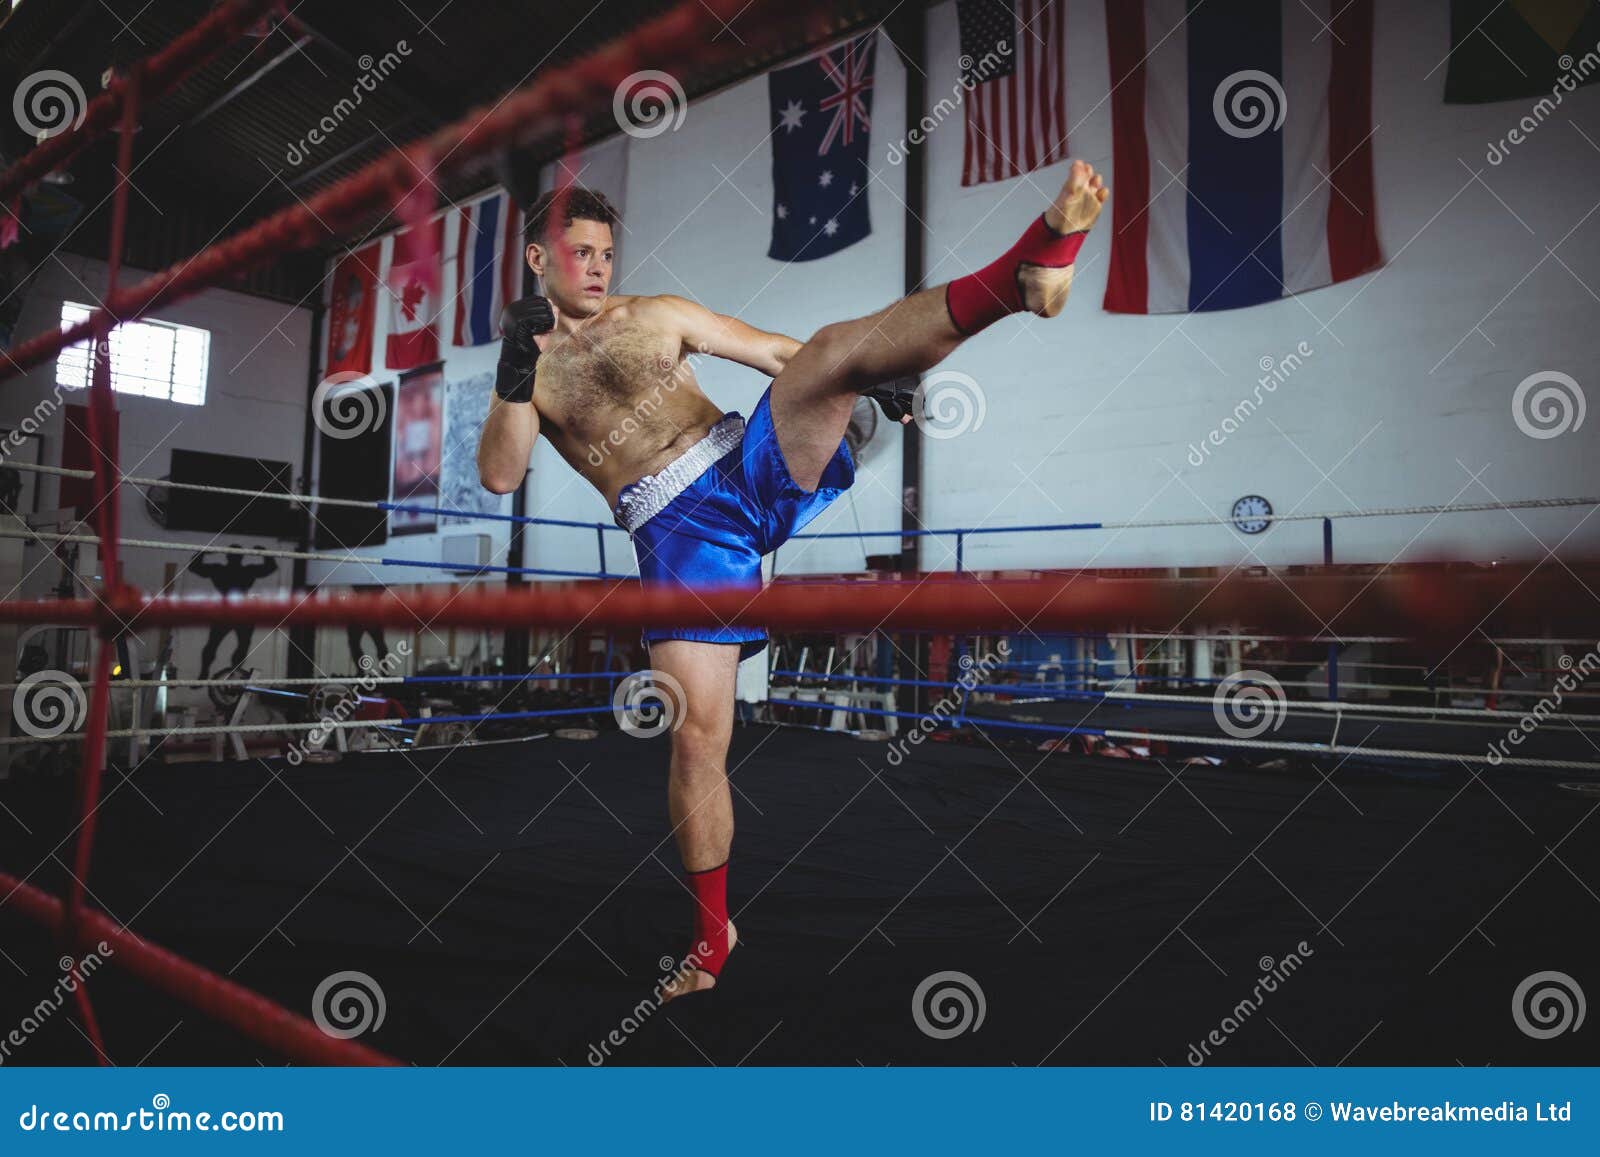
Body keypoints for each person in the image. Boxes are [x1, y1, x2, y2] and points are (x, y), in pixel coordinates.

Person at [476, 163, 1108, 999]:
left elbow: (777, 351)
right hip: (677, 535)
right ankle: (712, 943)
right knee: (698, 740)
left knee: (824, 354)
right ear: (535, 260)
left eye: (605, 252)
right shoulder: (533, 366)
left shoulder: (656, 314)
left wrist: (863, 372)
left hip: (746, 461)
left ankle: (1021, 278)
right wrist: (516, 366)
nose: (596, 266)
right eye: (579, 252)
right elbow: (499, 473)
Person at [189, 547, 277, 681]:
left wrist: (265, 553)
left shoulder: (240, 570)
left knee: (238, 644)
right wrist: (264, 553)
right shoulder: (227, 570)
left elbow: (271, 568)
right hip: (229, 611)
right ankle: (205, 672)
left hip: (239, 612)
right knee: (215, 644)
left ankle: (230, 673)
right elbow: (194, 567)